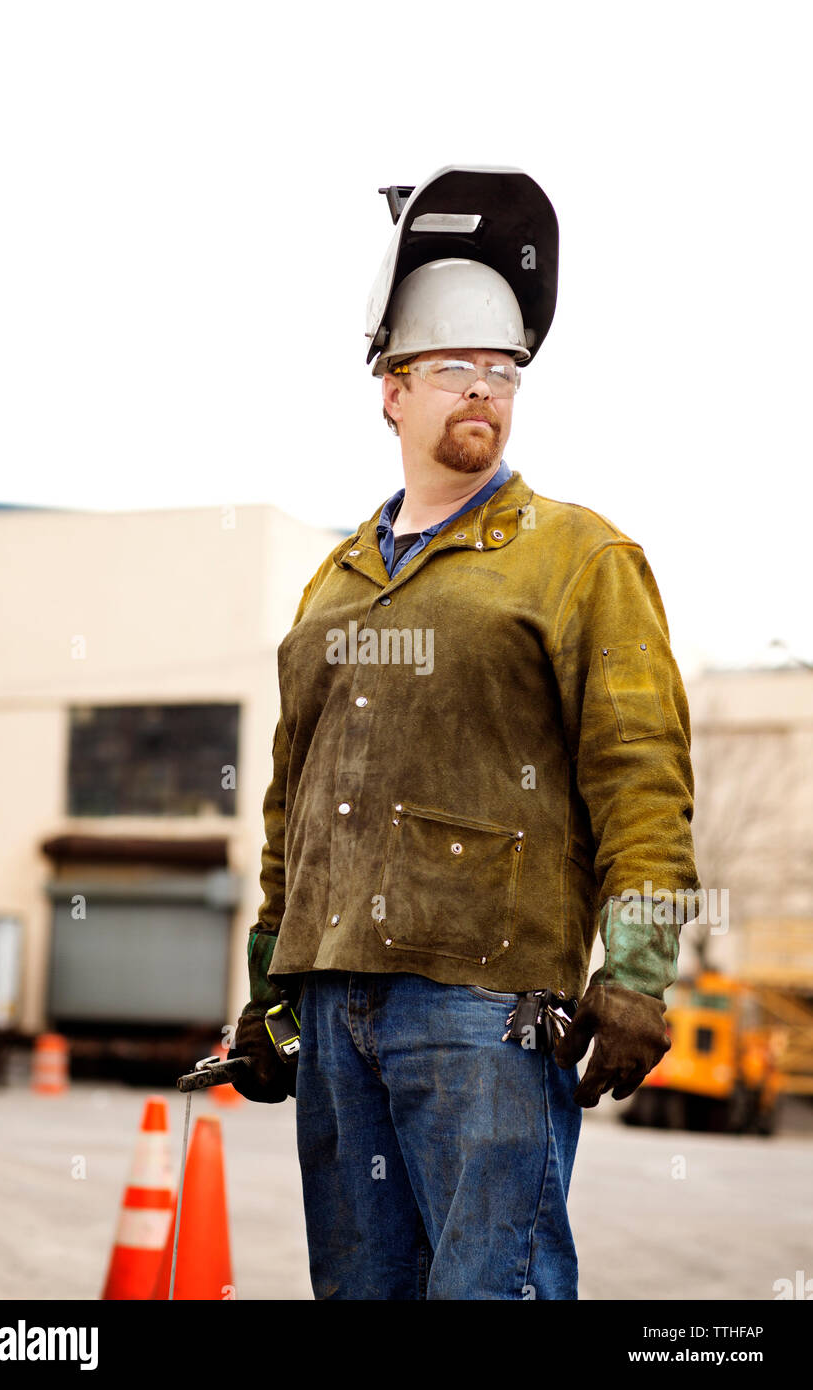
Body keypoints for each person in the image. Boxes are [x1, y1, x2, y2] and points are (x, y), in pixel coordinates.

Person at [229, 169, 700, 1300]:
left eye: (500, 371)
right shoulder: (331, 589)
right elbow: (291, 809)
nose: (480, 389)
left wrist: (636, 971)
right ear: (390, 392)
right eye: (452, 369)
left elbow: (642, 780)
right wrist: (270, 984)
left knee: (494, 1290)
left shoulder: (578, 558)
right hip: (334, 1005)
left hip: (484, 1008)